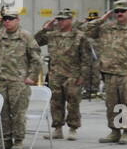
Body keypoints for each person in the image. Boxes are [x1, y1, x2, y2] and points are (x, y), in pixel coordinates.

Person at [85, 0, 127, 145]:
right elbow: (86, 31)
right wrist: (102, 19)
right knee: (113, 104)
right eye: (117, 11)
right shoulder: (107, 28)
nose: (120, 14)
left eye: (123, 11)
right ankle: (115, 131)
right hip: (110, 73)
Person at [0, 8, 43, 149]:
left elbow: (36, 59)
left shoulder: (25, 36)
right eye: (5, 19)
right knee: (3, 112)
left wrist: (32, 77)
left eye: (11, 19)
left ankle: (18, 140)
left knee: (18, 112)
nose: (7, 21)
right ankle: (5, 139)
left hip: (18, 81)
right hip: (0, 80)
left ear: (17, 20)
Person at [34, 9, 88, 140]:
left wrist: (83, 76)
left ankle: (73, 128)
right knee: (56, 102)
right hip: (56, 74)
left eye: (63, 19)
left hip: (73, 74)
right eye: (58, 19)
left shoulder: (79, 36)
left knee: (73, 102)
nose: (60, 22)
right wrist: (45, 29)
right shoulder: (52, 35)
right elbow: (35, 42)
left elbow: (86, 58)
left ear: (70, 20)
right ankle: (57, 128)